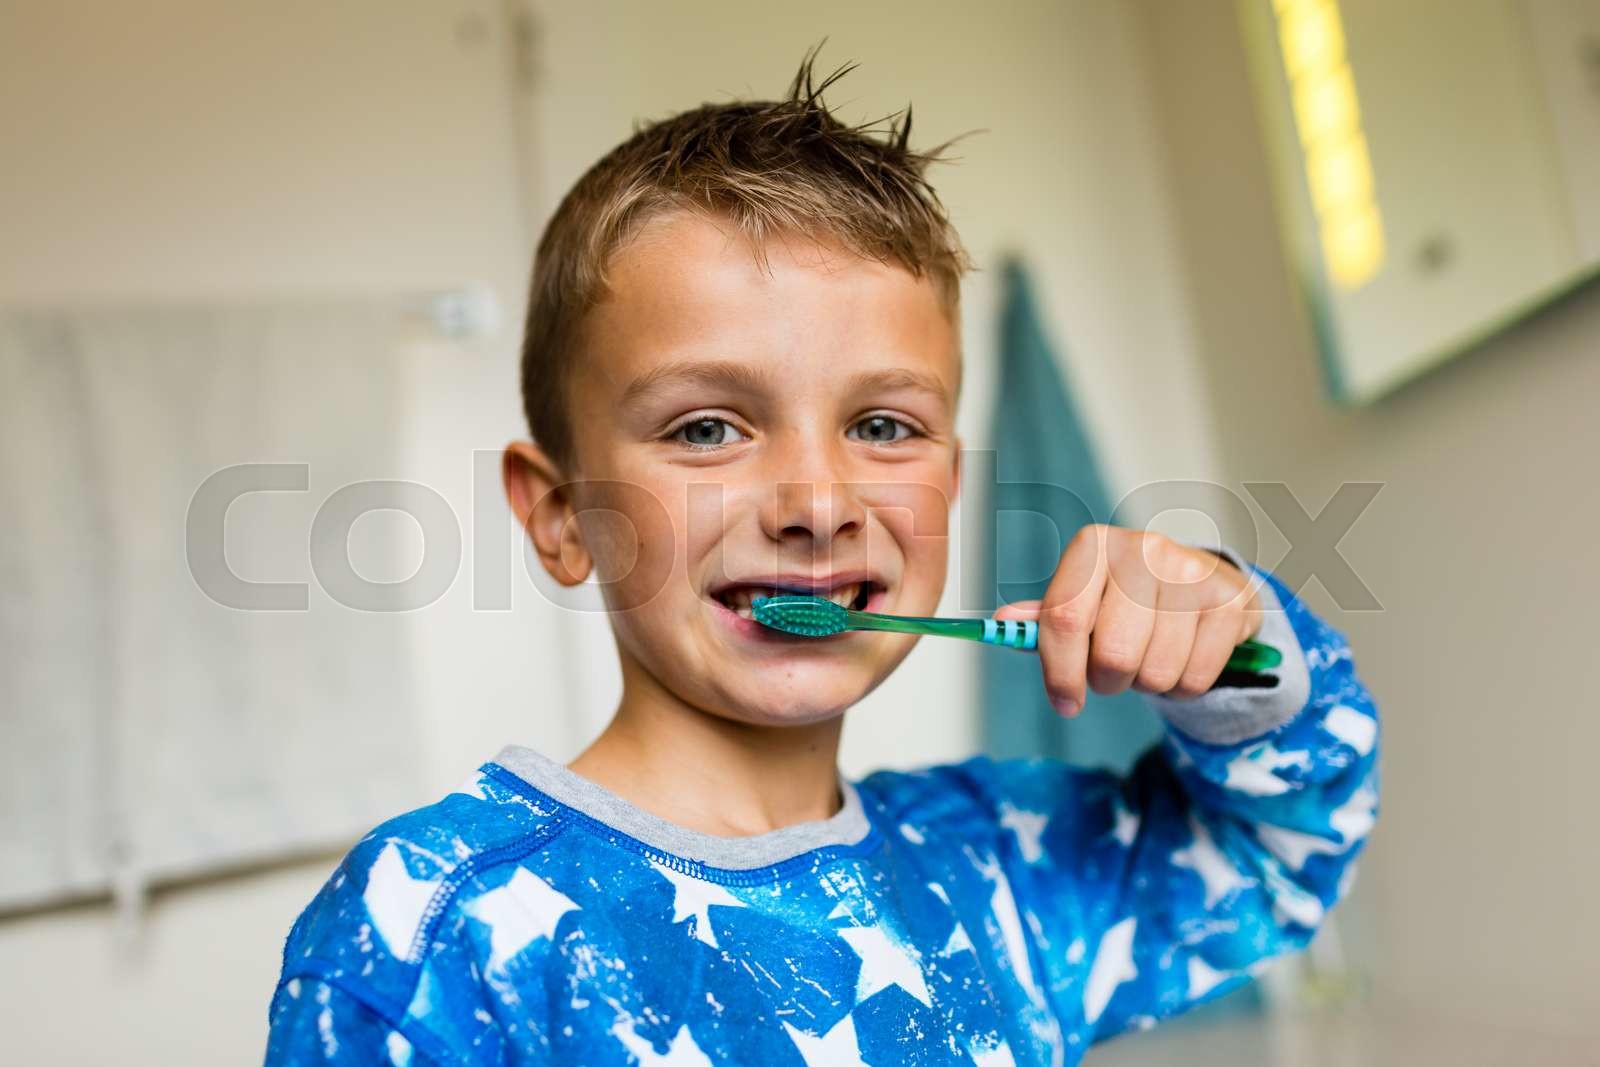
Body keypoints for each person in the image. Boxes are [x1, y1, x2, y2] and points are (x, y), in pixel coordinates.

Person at [265, 46, 1379, 1066]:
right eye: (707, 426)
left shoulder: (1009, 865)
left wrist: (1235, 636)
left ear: (949, 480)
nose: (816, 501)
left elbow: (1280, 849)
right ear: (560, 514)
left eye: (884, 426)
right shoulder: (429, 932)